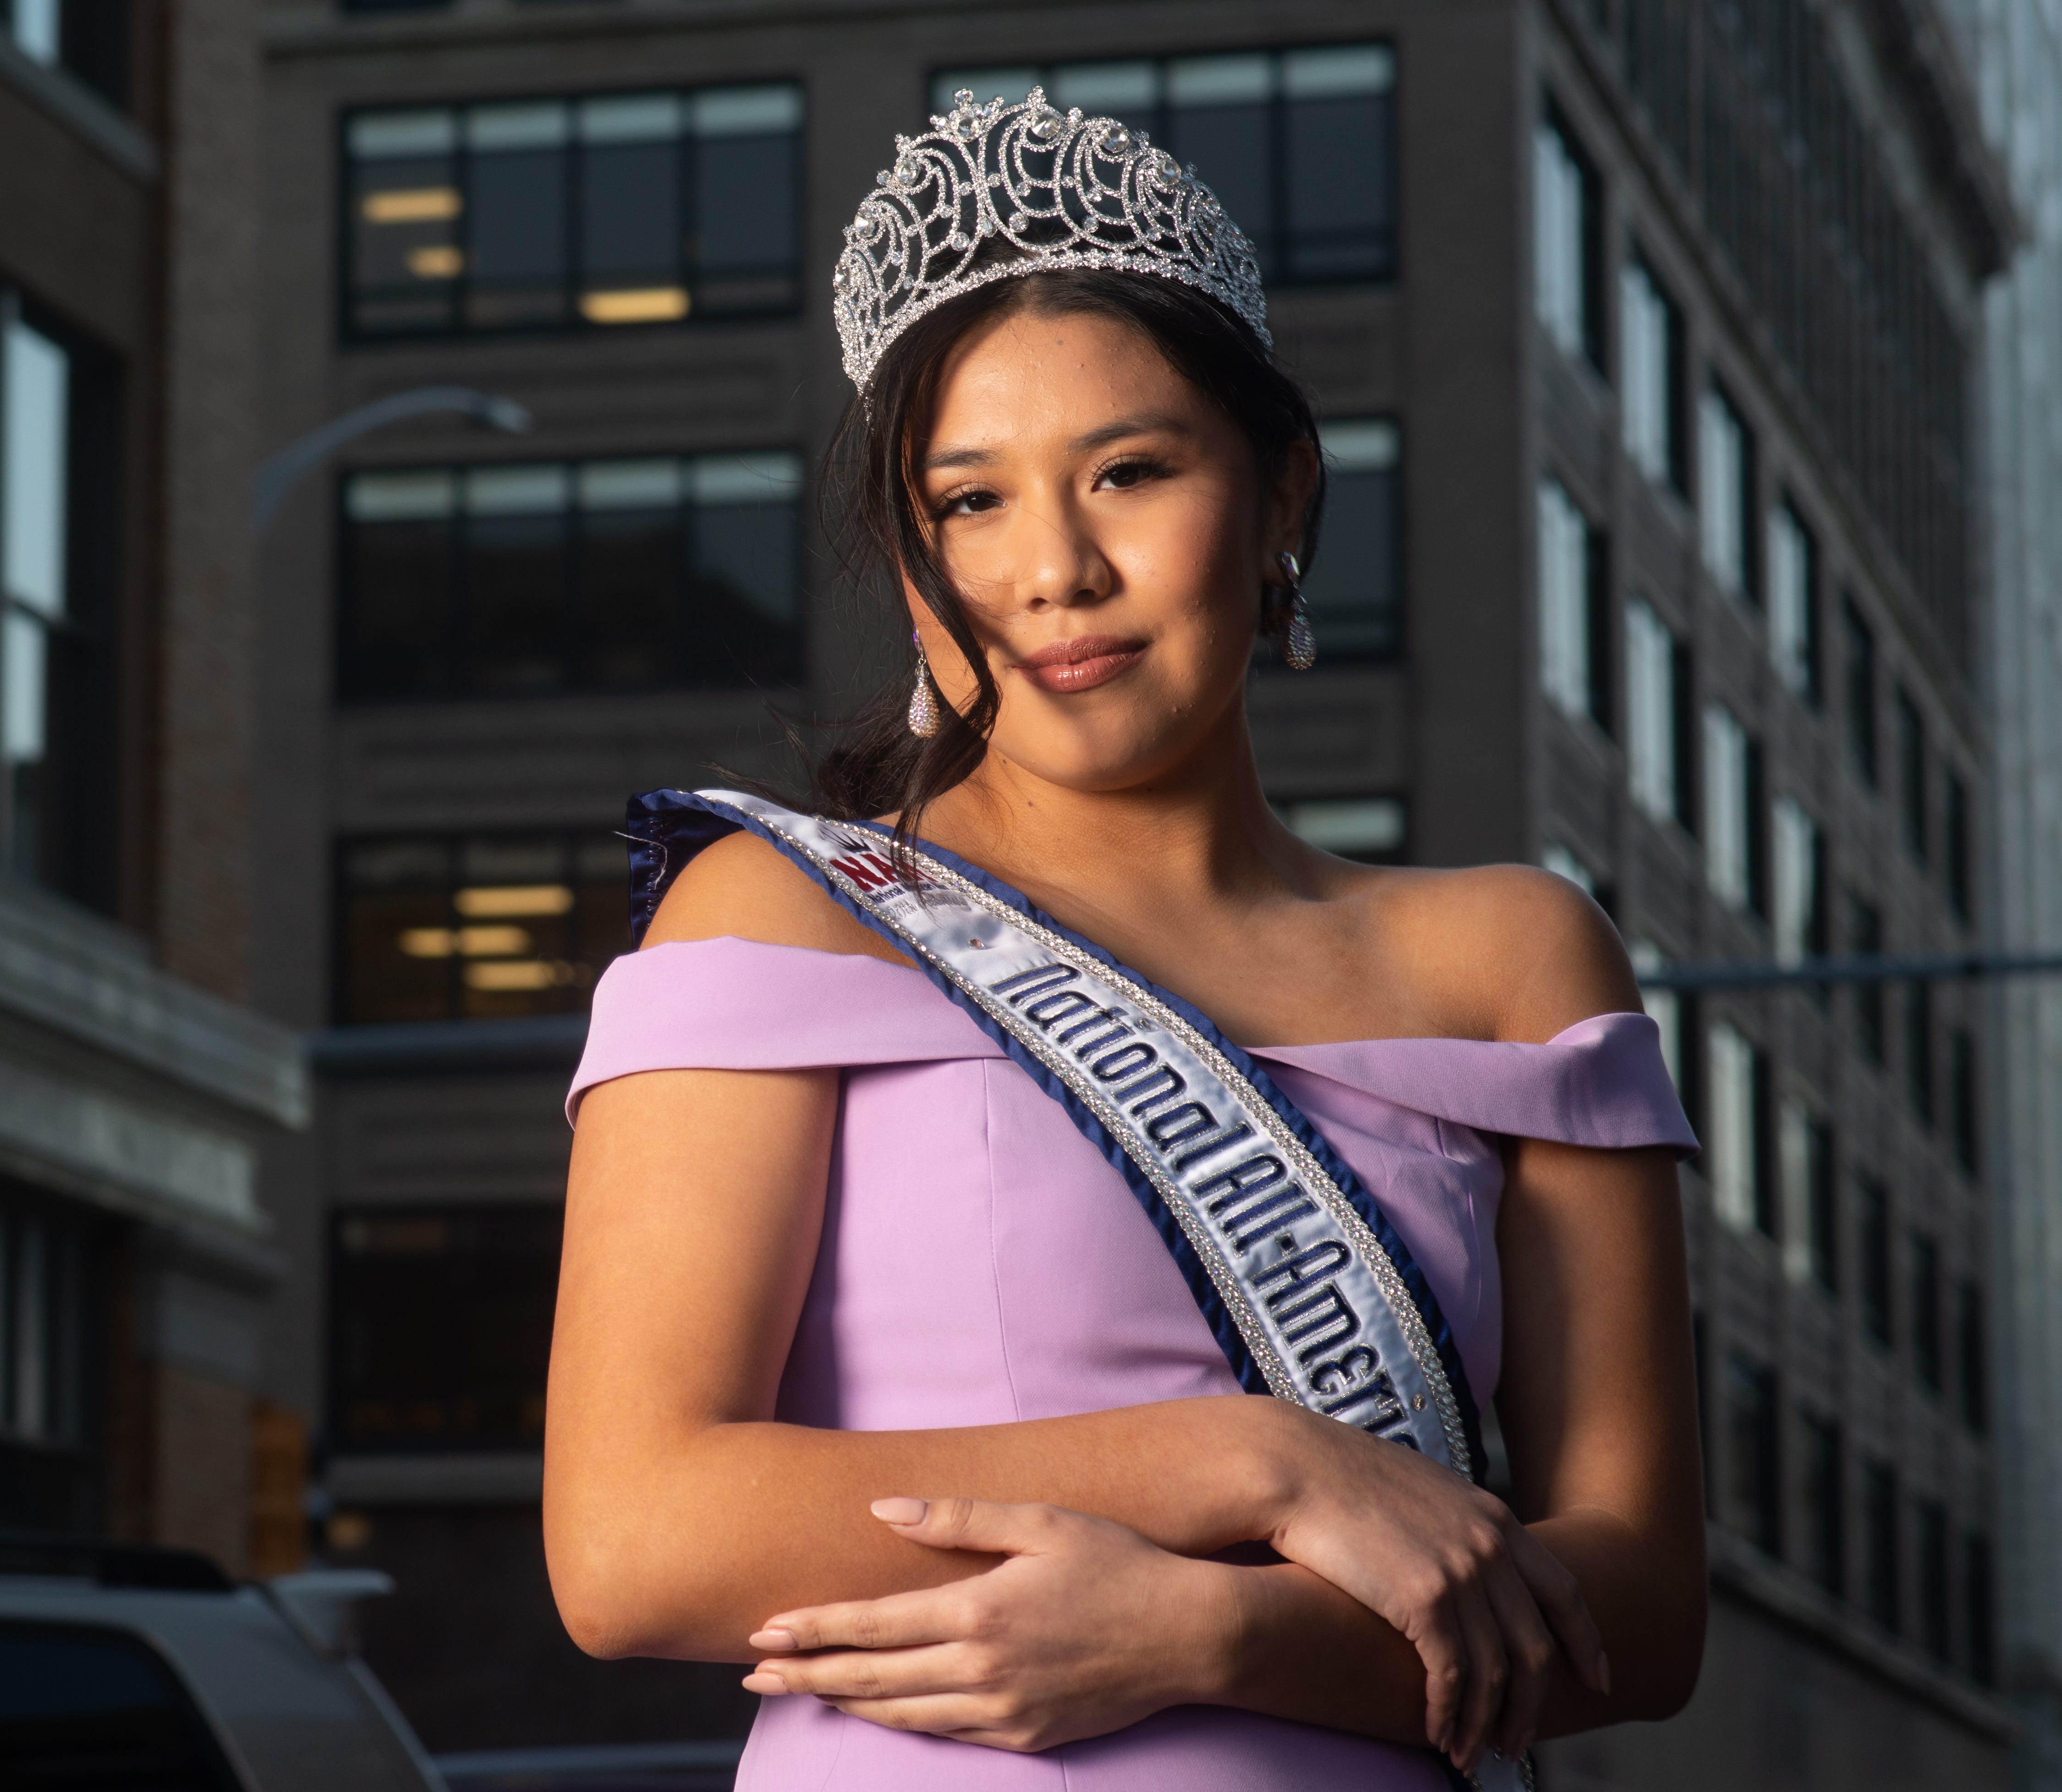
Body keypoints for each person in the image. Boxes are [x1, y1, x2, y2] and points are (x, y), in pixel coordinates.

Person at [544, 89, 1705, 1790]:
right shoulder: (794, 913)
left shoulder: (1514, 957)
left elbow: (1642, 1615)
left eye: (1131, 473)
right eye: (973, 504)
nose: (1056, 571)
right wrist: (1251, 1465)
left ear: (1281, 491)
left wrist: (1209, 1635)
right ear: (914, 556)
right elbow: (631, 1541)